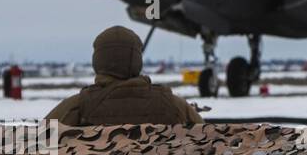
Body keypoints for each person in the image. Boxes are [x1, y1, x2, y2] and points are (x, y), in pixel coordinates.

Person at [45, 25, 202, 126]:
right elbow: (210, 147)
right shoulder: (172, 104)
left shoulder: (77, 106)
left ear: (98, 61)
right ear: (137, 60)